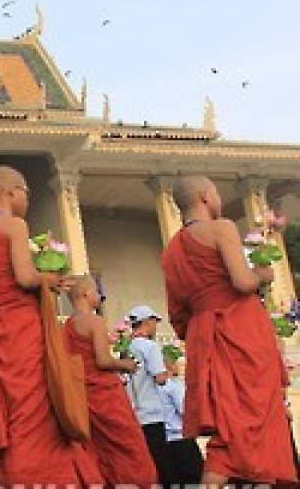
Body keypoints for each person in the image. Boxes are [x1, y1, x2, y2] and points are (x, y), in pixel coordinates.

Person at [0, 165, 102, 487]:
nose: (27, 201)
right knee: (34, 409)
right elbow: (25, 278)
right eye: (26, 194)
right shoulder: (14, 226)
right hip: (20, 330)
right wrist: (52, 279)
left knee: (8, 408)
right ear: (11, 192)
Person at [162, 175, 296, 485]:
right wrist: (261, 275)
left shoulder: (170, 252)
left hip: (203, 337)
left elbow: (177, 314)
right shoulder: (221, 228)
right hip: (239, 330)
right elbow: (242, 282)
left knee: (227, 425)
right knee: (255, 415)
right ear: (206, 196)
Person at [65, 278, 157, 486]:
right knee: (128, 444)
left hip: (83, 393)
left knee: (98, 448)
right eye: (97, 291)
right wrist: (125, 364)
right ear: (86, 294)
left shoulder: (68, 325)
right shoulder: (95, 321)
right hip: (105, 393)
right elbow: (103, 361)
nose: (100, 296)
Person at [123, 304, 172, 485]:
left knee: (144, 464)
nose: (155, 326)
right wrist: (169, 371)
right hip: (152, 414)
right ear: (147, 322)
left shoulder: (125, 347)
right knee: (161, 464)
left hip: (134, 415)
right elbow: (160, 378)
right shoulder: (150, 347)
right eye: (154, 322)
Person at [159, 349, 203, 486]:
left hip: (163, 441)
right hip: (181, 440)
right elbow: (186, 411)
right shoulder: (174, 387)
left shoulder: (152, 390)